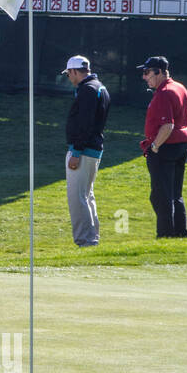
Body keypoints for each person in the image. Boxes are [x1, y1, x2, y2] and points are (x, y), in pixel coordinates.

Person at [137, 56, 187, 238]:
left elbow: (167, 126)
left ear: (160, 72)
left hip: (166, 147)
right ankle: (181, 232)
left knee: (161, 195)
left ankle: (165, 234)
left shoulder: (164, 92)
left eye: (147, 73)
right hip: (182, 145)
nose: (144, 77)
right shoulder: (180, 87)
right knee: (175, 193)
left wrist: (154, 146)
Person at [62, 55, 111, 247]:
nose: (69, 78)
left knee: (77, 197)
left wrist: (76, 151)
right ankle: (92, 237)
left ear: (74, 71)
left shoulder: (88, 90)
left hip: (83, 150)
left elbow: (85, 123)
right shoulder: (99, 86)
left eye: (68, 74)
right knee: (87, 195)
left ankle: (85, 240)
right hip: (93, 148)